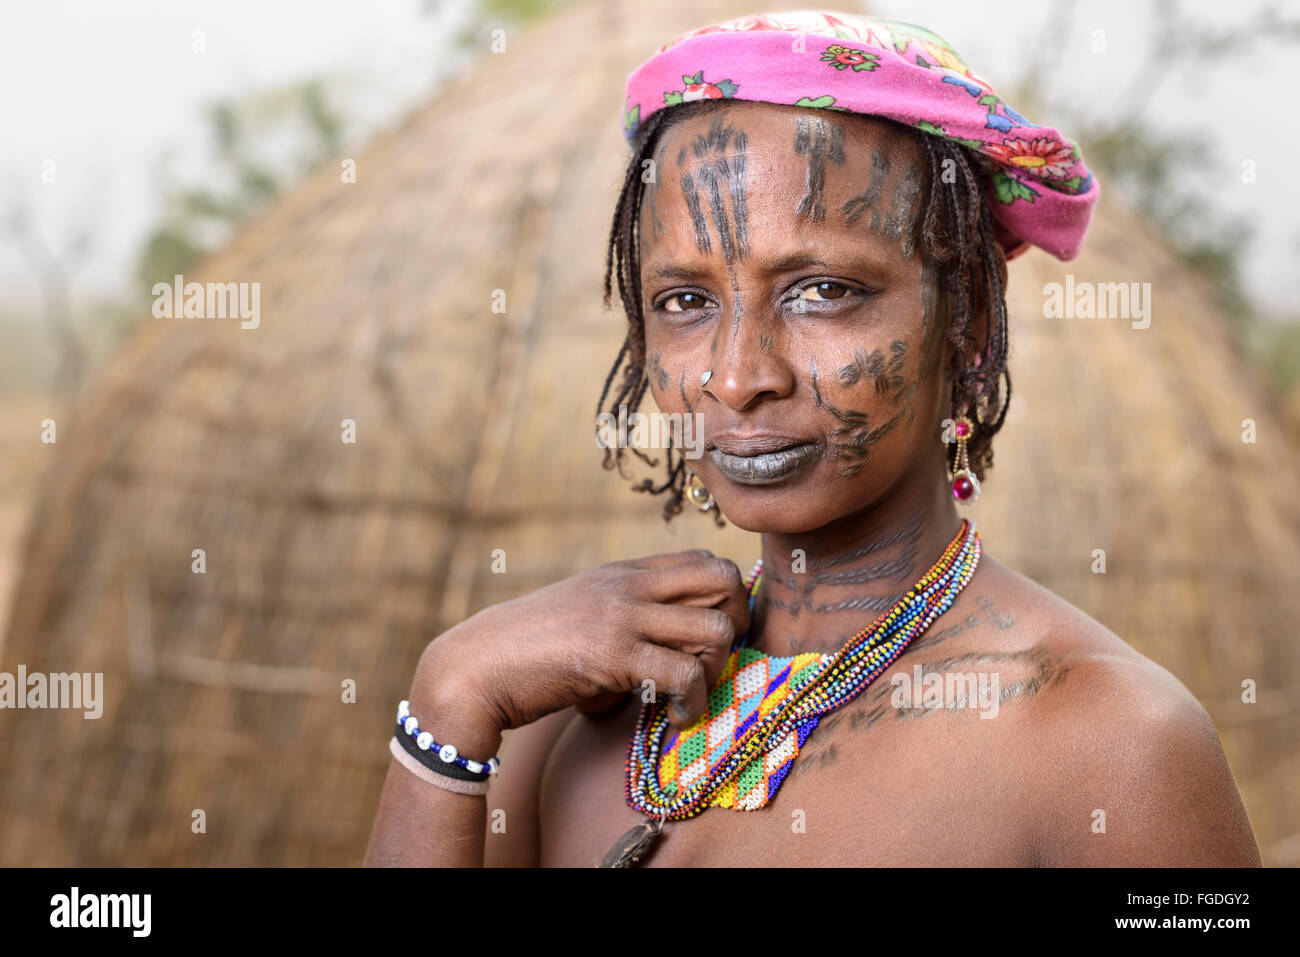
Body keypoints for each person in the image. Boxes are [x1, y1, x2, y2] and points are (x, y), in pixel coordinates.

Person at [365, 11, 1261, 867]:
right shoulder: (570, 728)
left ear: (969, 317)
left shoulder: (1108, 742)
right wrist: (450, 698)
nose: (738, 373)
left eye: (822, 290)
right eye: (686, 302)